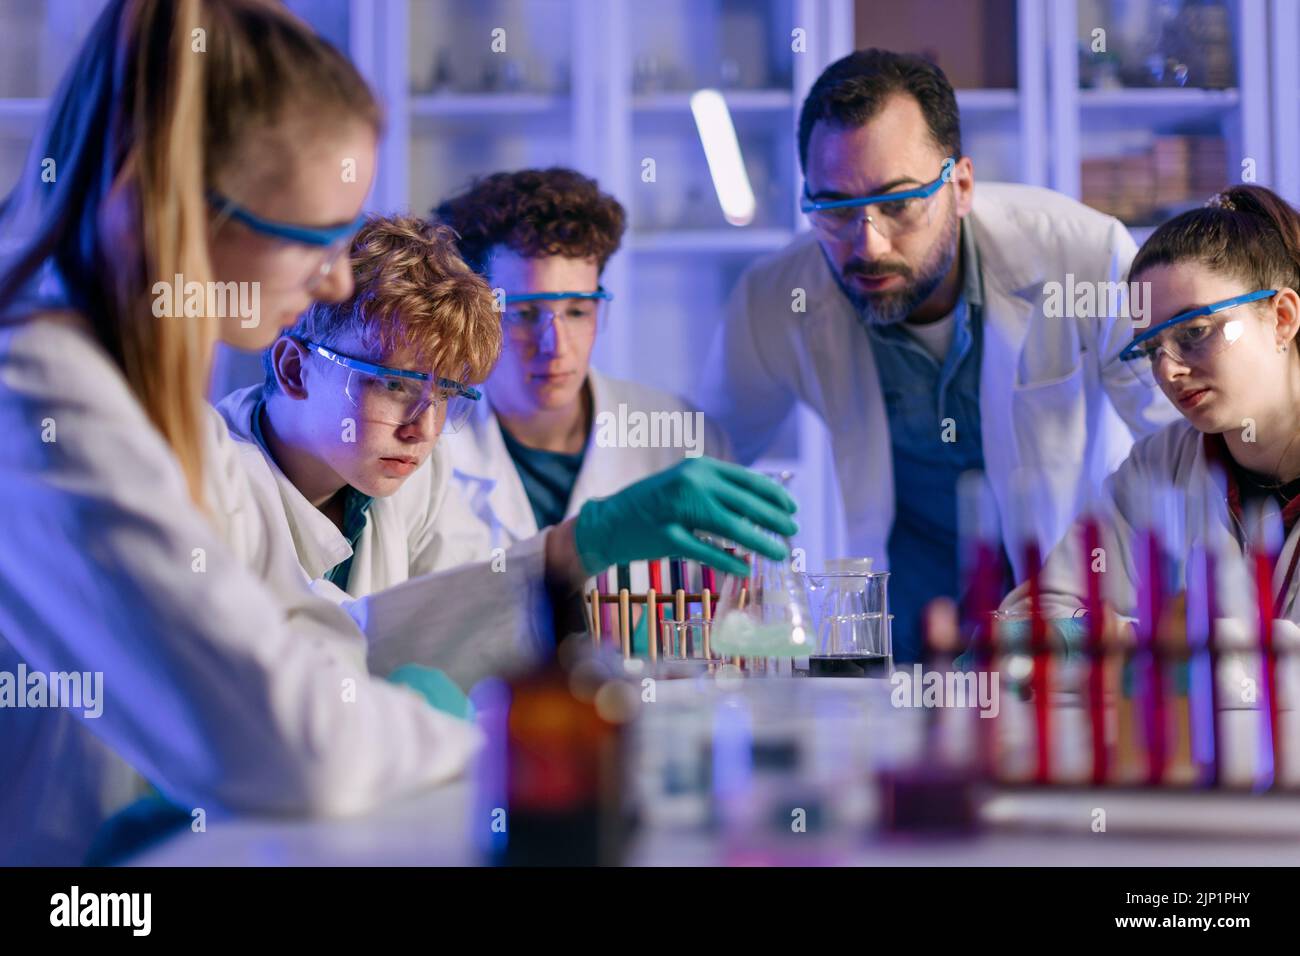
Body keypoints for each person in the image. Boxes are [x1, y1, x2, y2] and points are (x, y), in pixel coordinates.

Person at [0, 0, 796, 865]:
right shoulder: (42, 394)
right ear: (182, 207)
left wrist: (552, 578)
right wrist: (501, 747)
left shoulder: (137, 392)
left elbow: (319, 645)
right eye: (315, 237)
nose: (336, 277)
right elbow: (295, 741)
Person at [695, 49, 1178, 662]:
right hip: (904, 640)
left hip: (1062, 634)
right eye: (833, 211)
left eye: (897, 203)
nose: (866, 243)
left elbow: (1180, 452)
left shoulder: (1085, 259)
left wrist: (1147, 621)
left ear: (962, 185)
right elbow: (704, 459)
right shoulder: (777, 300)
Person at [1000, 185, 1300, 640]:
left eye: (1196, 331)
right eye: (1151, 348)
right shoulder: (1158, 465)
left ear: (1281, 317)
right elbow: (1033, 616)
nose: (1168, 370)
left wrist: (1130, 639)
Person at [432, 168, 731, 561]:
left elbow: (737, 608)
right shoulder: (429, 447)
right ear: (475, 313)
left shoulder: (682, 437)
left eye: (577, 311)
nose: (555, 346)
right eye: (524, 314)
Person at [216, 213, 500, 597]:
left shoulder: (419, 478)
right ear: (294, 370)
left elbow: (471, 609)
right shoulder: (213, 488)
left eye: (446, 393)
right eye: (395, 384)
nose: (425, 430)